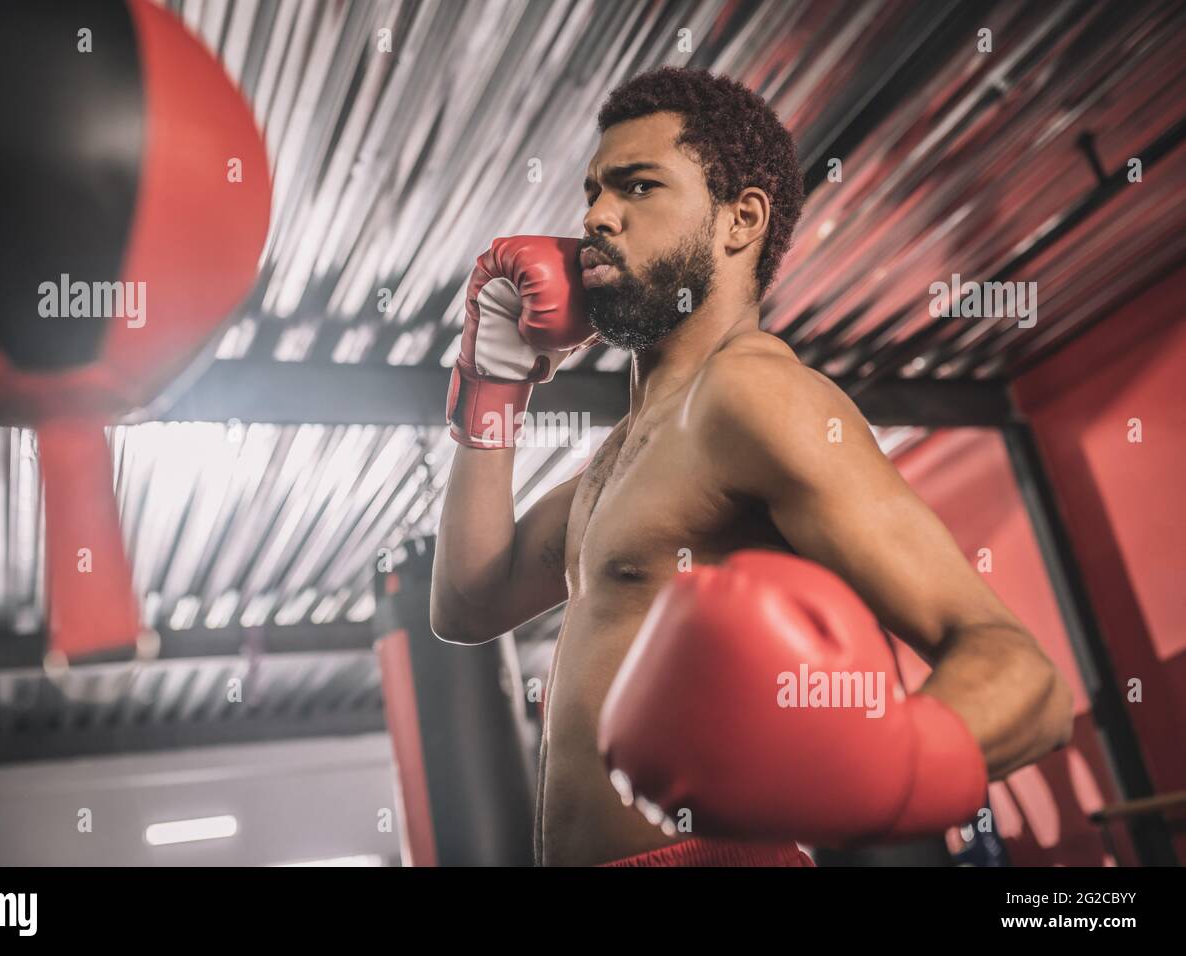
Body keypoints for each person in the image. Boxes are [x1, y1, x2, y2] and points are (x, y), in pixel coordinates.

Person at [430, 67, 1073, 867]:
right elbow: (468, 602)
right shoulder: (629, 448)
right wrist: (496, 379)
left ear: (741, 221)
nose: (595, 216)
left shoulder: (750, 396)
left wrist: (878, 770)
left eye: (636, 187)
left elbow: (1021, 674)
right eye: (593, 191)